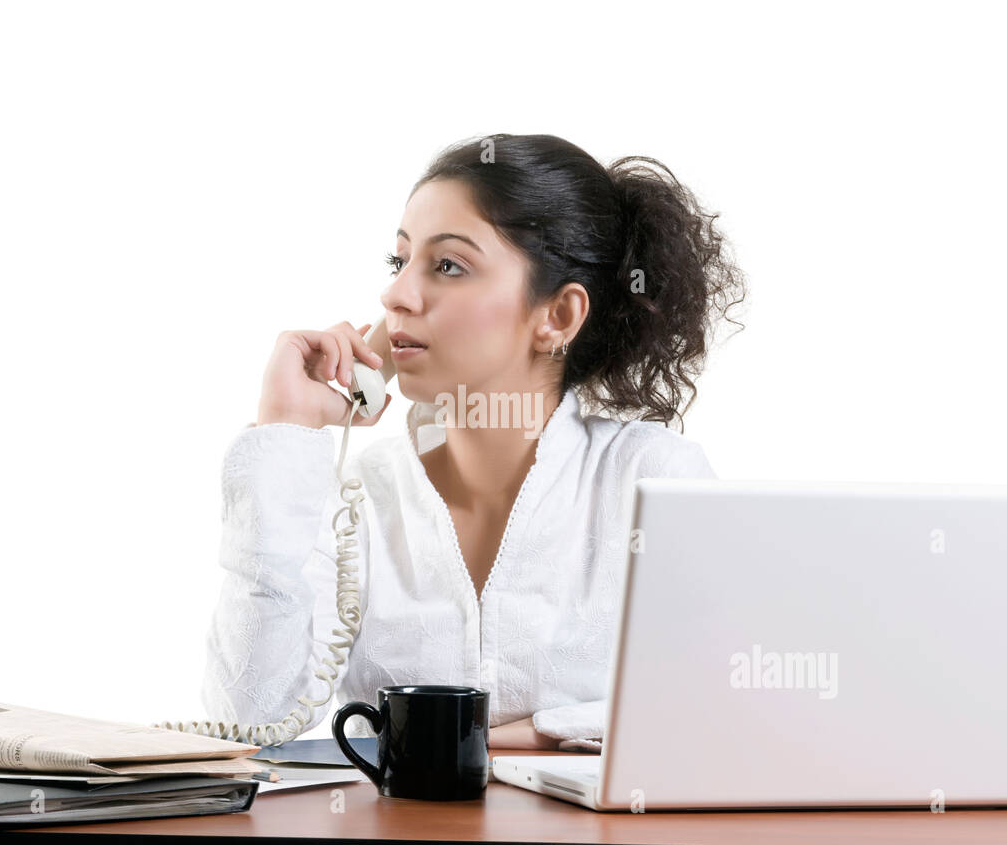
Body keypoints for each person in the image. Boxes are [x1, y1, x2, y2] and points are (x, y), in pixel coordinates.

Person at [201, 133, 747, 750]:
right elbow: (244, 719)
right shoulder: (353, 496)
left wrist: (520, 736)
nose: (396, 295)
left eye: (448, 266)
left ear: (558, 317)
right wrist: (286, 433)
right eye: (399, 261)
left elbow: (724, 704)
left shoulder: (653, 478)